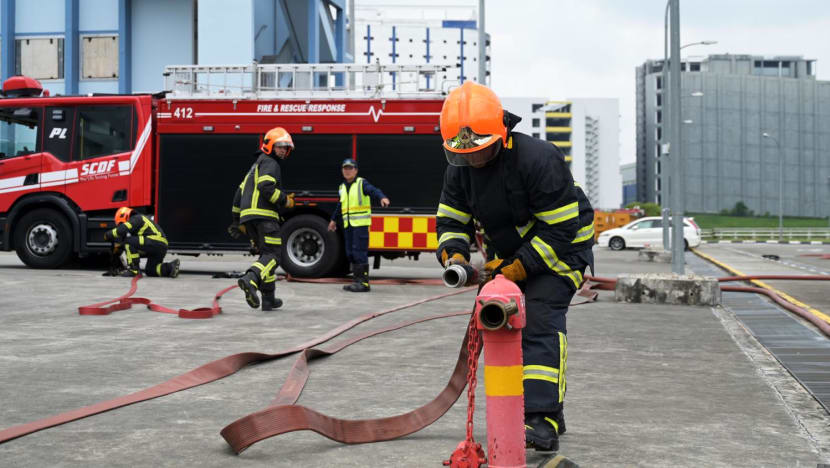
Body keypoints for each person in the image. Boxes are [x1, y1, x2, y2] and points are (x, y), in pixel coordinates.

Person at [435, 81, 595, 452]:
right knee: (505, 320)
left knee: (538, 317)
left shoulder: (538, 159)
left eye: (480, 151)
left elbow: (561, 229)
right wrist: (454, 255)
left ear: (501, 133)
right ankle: (547, 405)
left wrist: (518, 269)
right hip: (514, 254)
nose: (472, 160)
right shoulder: (459, 169)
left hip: (564, 251)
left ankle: (541, 420)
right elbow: (449, 222)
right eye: (463, 155)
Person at [228, 127, 296, 311]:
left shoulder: (254, 167)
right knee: (274, 255)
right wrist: (286, 201)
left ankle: (269, 298)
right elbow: (266, 187)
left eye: (285, 147)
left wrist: (237, 221)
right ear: (269, 146)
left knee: (265, 255)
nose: (283, 150)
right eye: (280, 146)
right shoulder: (270, 163)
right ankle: (251, 279)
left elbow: (238, 194)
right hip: (265, 217)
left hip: (249, 219)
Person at [327, 158, 390, 292]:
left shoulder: (361, 183)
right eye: (345, 168)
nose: (348, 171)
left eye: (350, 168)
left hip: (360, 225)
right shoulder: (342, 187)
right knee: (350, 253)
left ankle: (364, 283)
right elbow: (340, 205)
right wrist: (333, 220)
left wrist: (382, 197)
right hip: (349, 225)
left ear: (356, 170)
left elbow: (373, 190)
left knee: (359, 252)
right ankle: (356, 281)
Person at [103, 206, 180, 278]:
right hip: (160, 245)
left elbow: (122, 229)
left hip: (154, 241)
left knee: (128, 241)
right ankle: (170, 267)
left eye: (121, 223)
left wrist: (108, 235)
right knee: (151, 270)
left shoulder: (136, 218)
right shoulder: (140, 219)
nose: (121, 225)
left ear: (124, 216)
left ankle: (134, 270)